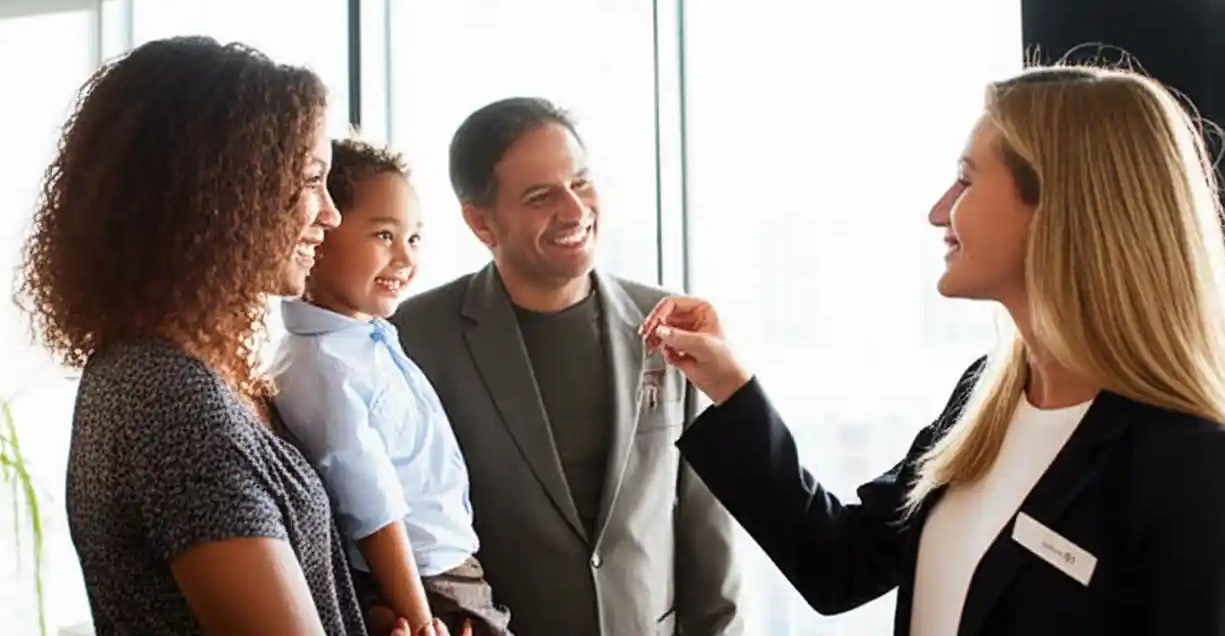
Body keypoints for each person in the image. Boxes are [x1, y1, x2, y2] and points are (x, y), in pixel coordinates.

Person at [640, 65, 1225, 636]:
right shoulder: (986, 398)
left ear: (1058, 207)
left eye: (965, 181)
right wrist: (730, 385)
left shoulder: (1199, 467)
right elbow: (838, 562)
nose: (938, 211)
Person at [19, 36, 434, 636]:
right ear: (221, 195)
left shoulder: (210, 374)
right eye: (312, 180)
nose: (331, 214)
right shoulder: (166, 398)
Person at [391, 97, 743, 636]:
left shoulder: (675, 325)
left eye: (580, 183)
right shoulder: (415, 338)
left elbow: (711, 542)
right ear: (481, 223)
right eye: (540, 196)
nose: (575, 211)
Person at [272, 137, 512, 636]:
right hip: (425, 584)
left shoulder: (366, 340)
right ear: (320, 234)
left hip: (452, 570)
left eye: (414, 238)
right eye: (383, 235)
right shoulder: (324, 364)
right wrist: (422, 621)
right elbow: (373, 509)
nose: (404, 258)